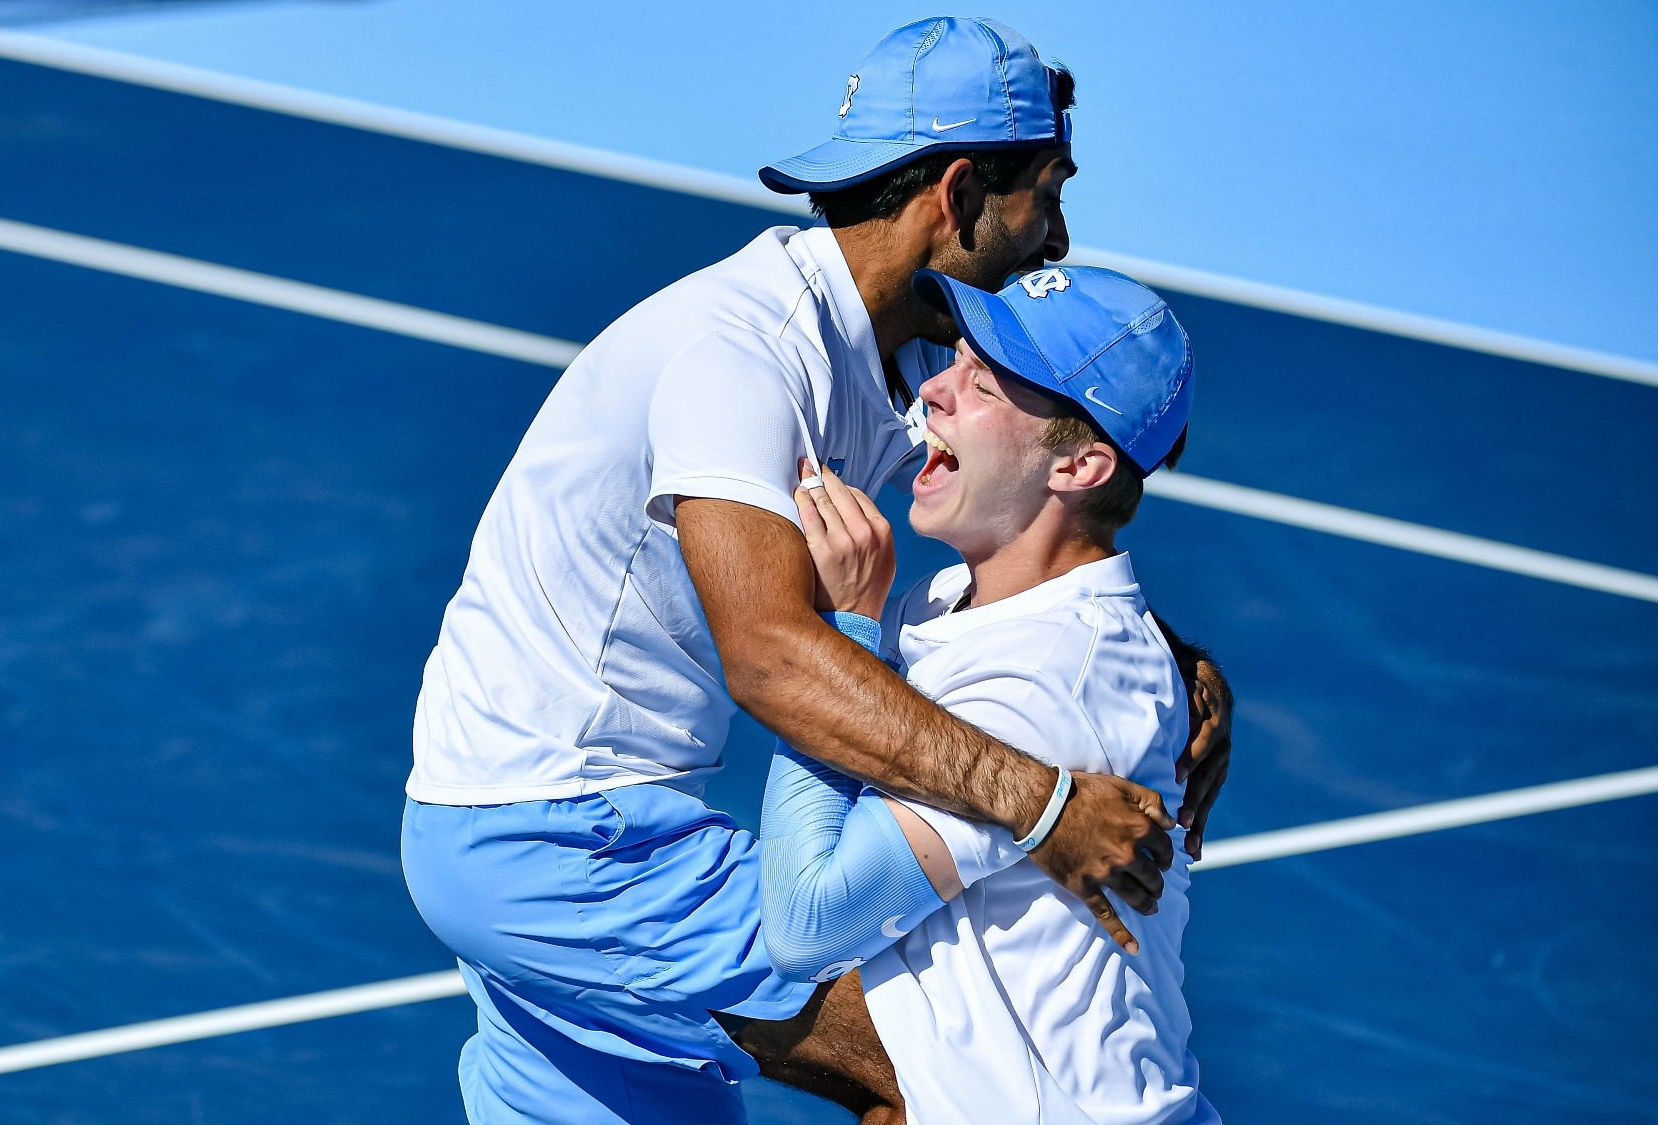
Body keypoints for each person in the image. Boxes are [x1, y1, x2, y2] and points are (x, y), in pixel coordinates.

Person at [399, 17, 1233, 1123]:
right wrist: (1043, 805)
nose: (1058, 235)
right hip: (561, 840)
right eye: (1044, 190)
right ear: (954, 194)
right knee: (930, 1065)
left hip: (557, 827)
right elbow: (772, 657)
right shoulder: (738, 355)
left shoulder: (917, 351)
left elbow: (1047, 516)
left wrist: (1168, 666)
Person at [757, 265, 1218, 1123]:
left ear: (1080, 464)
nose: (931, 388)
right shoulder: (957, 603)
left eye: (980, 383)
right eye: (952, 361)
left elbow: (809, 923)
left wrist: (839, 635)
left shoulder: (1041, 682)